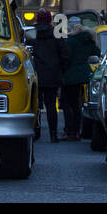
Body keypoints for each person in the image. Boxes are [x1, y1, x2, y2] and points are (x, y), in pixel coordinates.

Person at [31, 10, 69, 142]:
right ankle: (53, 134)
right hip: (52, 73)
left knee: (35, 104)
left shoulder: (32, 33)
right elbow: (64, 54)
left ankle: (36, 132)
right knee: (51, 105)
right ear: (49, 20)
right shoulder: (56, 33)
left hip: (36, 73)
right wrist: (61, 70)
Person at [61, 19, 99, 140]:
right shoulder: (88, 42)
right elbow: (97, 52)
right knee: (77, 104)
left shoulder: (70, 41)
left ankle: (70, 131)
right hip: (83, 75)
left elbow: (66, 58)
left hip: (70, 76)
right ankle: (77, 131)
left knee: (67, 104)